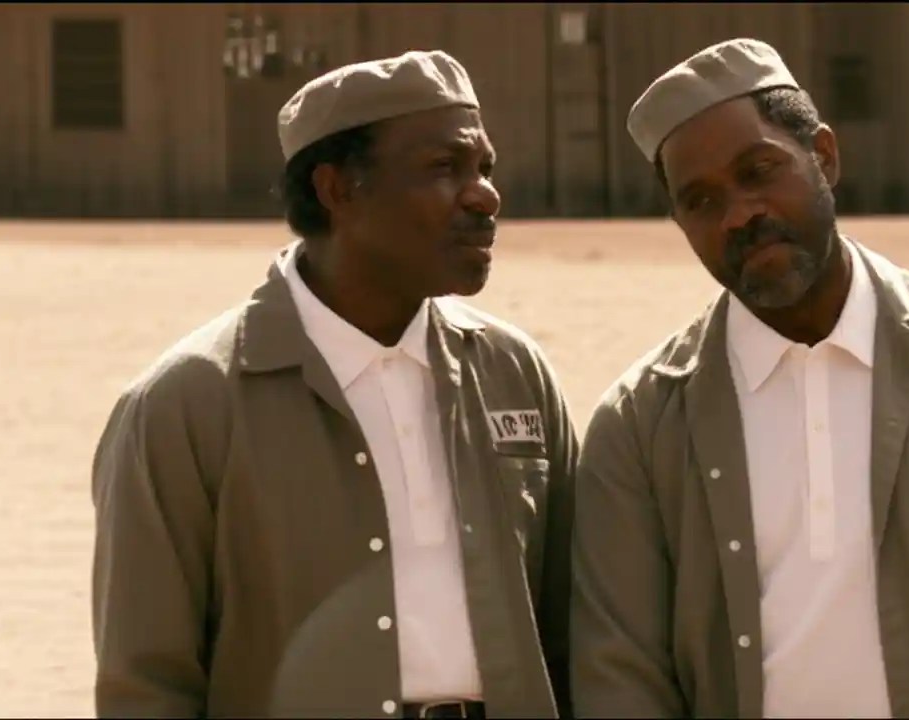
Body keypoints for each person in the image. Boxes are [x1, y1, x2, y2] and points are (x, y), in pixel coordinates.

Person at [571, 37, 909, 718]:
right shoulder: (639, 427)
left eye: (759, 170)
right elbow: (622, 675)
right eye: (702, 200)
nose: (740, 213)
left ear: (823, 157)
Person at [91, 50, 575, 718]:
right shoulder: (186, 406)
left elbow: (573, 630)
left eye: (484, 168)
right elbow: (145, 685)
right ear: (338, 189)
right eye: (445, 167)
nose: (484, 195)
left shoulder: (513, 373)